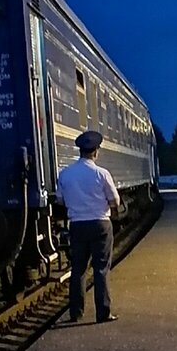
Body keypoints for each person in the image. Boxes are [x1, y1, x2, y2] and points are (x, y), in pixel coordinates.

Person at [56, 130, 121, 324]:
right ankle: (103, 313)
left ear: (80, 151)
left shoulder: (65, 174)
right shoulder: (102, 174)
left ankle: (75, 313)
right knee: (101, 269)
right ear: (96, 151)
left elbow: (60, 199)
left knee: (78, 270)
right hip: (100, 224)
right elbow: (115, 200)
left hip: (77, 225)